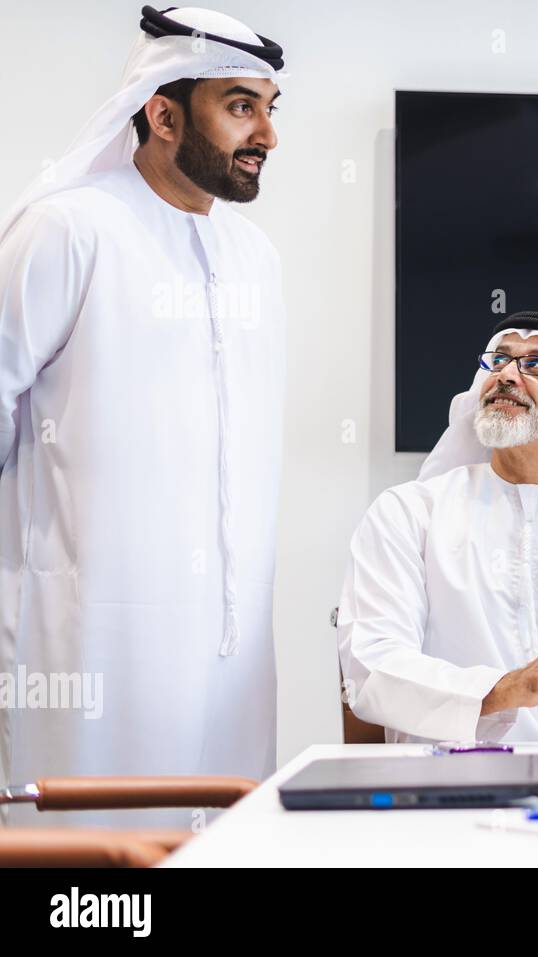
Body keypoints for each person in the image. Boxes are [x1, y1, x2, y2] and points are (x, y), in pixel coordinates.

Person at [0, 6, 287, 827]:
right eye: (241, 106)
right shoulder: (68, 229)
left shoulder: (254, 257)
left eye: (270, 108)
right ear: (162, 113)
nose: (267, 132)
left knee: (221, 837)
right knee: (91, 863)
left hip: (232, 653)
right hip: (87, 646)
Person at [338, 312, 538, 742]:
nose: (507, 375)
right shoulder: (408, 514)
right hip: (452, 788)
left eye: (537, 364)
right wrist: (504, 688)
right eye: (499, 361)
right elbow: (373, 668)